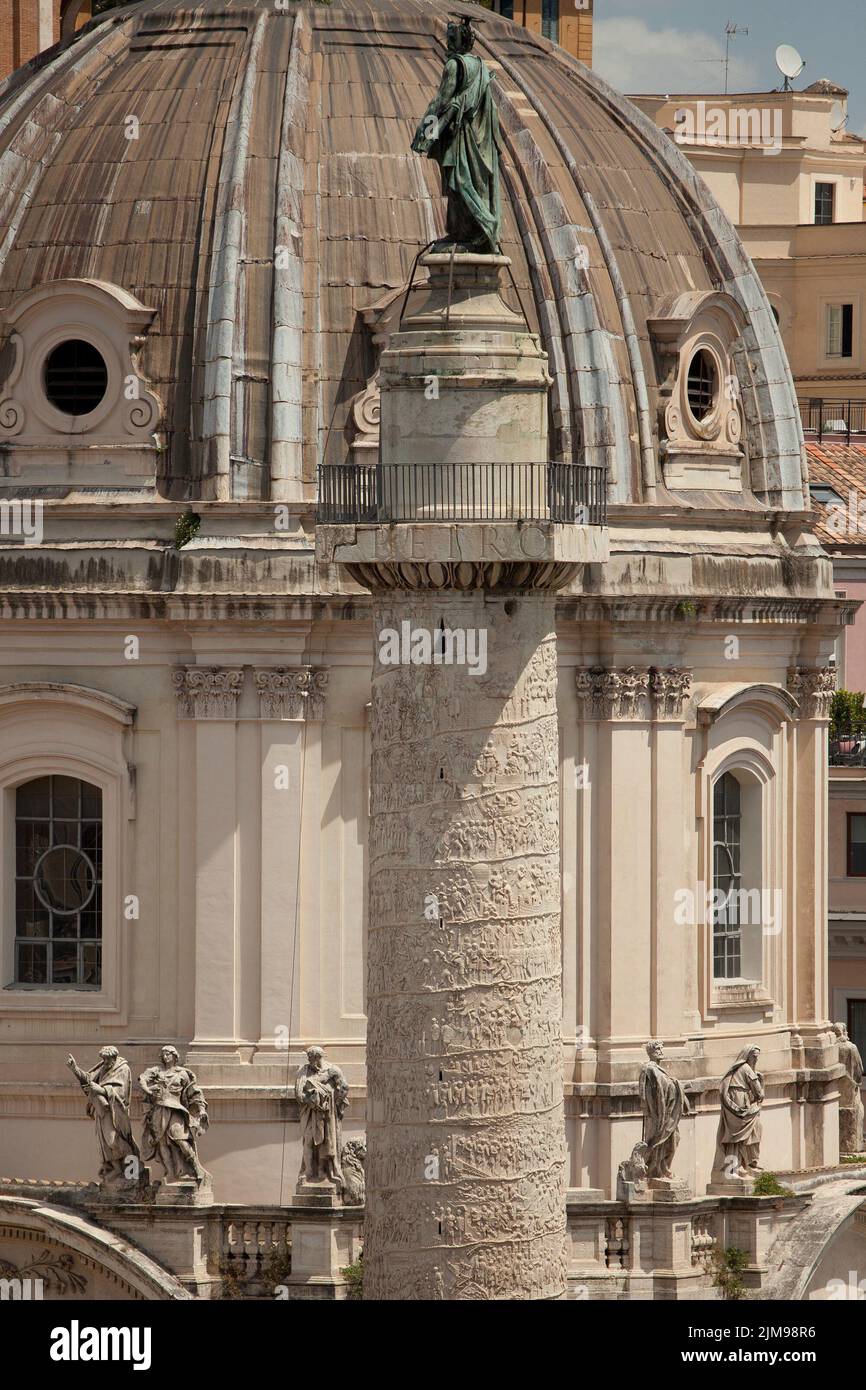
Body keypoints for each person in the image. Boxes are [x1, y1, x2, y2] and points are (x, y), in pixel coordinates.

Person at [411, 15, 501, 253]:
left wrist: (424, 132)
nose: (448, 42)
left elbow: (440, 102)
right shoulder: (480, 66)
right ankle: (463, 232)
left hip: (461, 139)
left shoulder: (454, 65)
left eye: (452, 37)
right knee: (461, 186)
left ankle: (482, 226)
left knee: (459, 184)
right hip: (479, 141)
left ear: (459, 40)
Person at [67, 1046, 140, 1185]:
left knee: (113, 1140)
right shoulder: (104, 1066)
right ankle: (118, 1168)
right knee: (105, 1144)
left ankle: (132, 1161)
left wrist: (99, 1089)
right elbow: (89, 1078)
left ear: (114, 1057)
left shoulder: (123, 1069)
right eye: (103, 1059)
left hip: (115, 1110)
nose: (105, 1061)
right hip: (102, 1109)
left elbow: (120, 1092)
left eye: (107, 1059)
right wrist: (74, 1069)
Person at [139, 1044, 209, 1184]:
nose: (165, 1056)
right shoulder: (156, 1071)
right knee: (162, 1143)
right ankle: (170, 1173)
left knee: (180, 1138)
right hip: (159, 1110)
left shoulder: (182, 1073)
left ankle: (196, 1168)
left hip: (176, 1109)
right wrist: (148, 1090)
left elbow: (194, 1093)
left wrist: (201, 1109)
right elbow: (142, 1079)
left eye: (168, 1054)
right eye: (163, 1054)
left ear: (175, 1056)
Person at [295, 1045, 349, 1188]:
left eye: (311, 1058)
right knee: (308, 1140)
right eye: (309, 1058)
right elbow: (299, 1092)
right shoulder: (304, 1071)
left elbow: (344, 1087)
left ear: (318, 1057)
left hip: (327, 1113)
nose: (310, 1061)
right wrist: (311, 1100)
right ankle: (308, 1171)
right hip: (311, 1112)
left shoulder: (333, 1070)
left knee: (326, 1142)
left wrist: (334, 1101)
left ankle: (322, 1172)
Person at [639, 1039, 690, 1180]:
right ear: (650, 1052)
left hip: (666, 1112)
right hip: (657, 1115)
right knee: (659, 1142)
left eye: (661, 1049)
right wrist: (679, 1085)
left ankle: (664, 1168)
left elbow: (666, 1086)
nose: (660, 1052)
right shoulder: (649, 1069)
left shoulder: (658, 1069)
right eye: (657, 1050)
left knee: (674, 1140)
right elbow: (648, 1092)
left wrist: (677, 1086)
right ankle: (656, 1171)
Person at [717, 1045, 764, 1176]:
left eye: (757, 1057)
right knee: (742, 1135)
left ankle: (745, 1163)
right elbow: (758, 1091)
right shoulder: (746, 1068)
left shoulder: (741, 1069)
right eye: (754, 1056)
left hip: (740, 1102)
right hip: (741, 1103)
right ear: (747, 1056)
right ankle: (738, 1166)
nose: (756, 1060)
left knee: (743, 1134)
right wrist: (762, 1083)